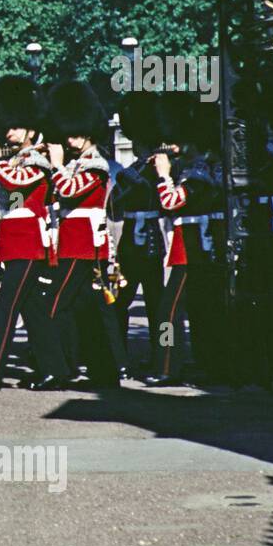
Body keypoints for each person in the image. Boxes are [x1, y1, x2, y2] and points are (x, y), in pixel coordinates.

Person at [0, 75, 69, 391]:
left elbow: (18, 182)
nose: (8, 130)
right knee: (32, 310)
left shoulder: (38, 156)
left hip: (29, 242)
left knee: (5, 306)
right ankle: (56, 369)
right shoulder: (11, 158)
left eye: (14, 125)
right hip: (12, 241)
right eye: (6, 124)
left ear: (29, 126)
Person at [41, 80, 124, 387]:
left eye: (76, 132)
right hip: (71, 243)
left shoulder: (97, 165)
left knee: (53, 305)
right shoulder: (77, 162)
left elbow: (69, 189)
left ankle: (60, 369)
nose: (71, 138)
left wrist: (57, 166)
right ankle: (105, 373)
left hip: (84, 244)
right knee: (86, 311)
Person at [146, 95, 225, 387]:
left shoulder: (199, 173)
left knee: (169, 311)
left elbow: (170, 201)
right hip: (198, 247)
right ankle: (209, 364)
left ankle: (167, 366)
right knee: (204, 311)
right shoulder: (200, 169)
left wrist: (163, 176)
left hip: (191, 249)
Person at [109, 92, 167, 369]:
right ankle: (120, 358)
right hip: (130, 235)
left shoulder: (160, 167)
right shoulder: (132, 168)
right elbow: (115, 207)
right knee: (120, 301)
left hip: (151, 234)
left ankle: (163, 358)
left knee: (158, 306)